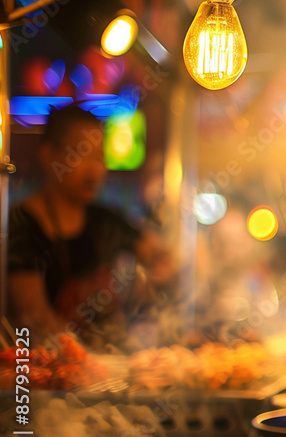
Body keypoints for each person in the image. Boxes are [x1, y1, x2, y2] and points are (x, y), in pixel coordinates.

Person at [6, 105, 173, 348]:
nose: (94, 169)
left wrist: (158, 271)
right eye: (79, 154)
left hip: (106, 364)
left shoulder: (104, 220)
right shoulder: (22, 224)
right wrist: (87, 363)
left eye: (99, 157)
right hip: (41, 374)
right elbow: (35, 319)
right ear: (48, 154)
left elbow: (158, 255)